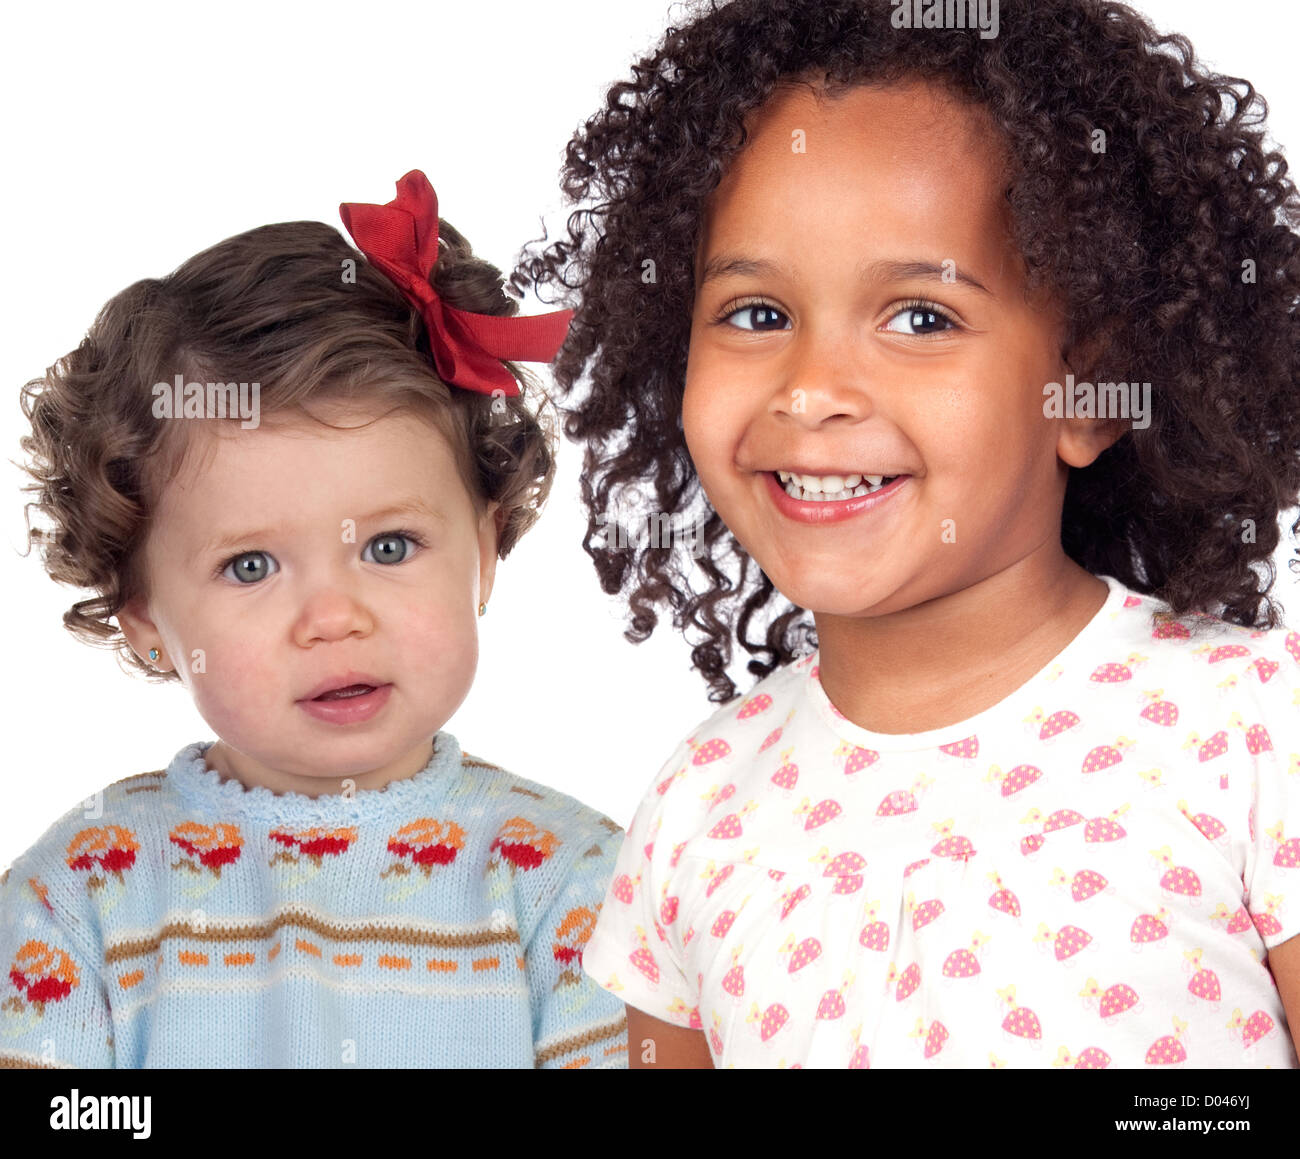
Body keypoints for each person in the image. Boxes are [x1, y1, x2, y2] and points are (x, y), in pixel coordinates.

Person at [509, 0, 1300, 1066]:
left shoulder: (1255, 729)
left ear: (1087, 390)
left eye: (921, 317)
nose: (814, 390)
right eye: (756, 313)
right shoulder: (695, 810)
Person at [0, 171, 627, 1068]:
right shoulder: (77, 896)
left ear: (485, 549)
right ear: (143, 617)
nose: (333, 618)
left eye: (390, 546)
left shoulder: (572, 881)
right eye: (250, 565)